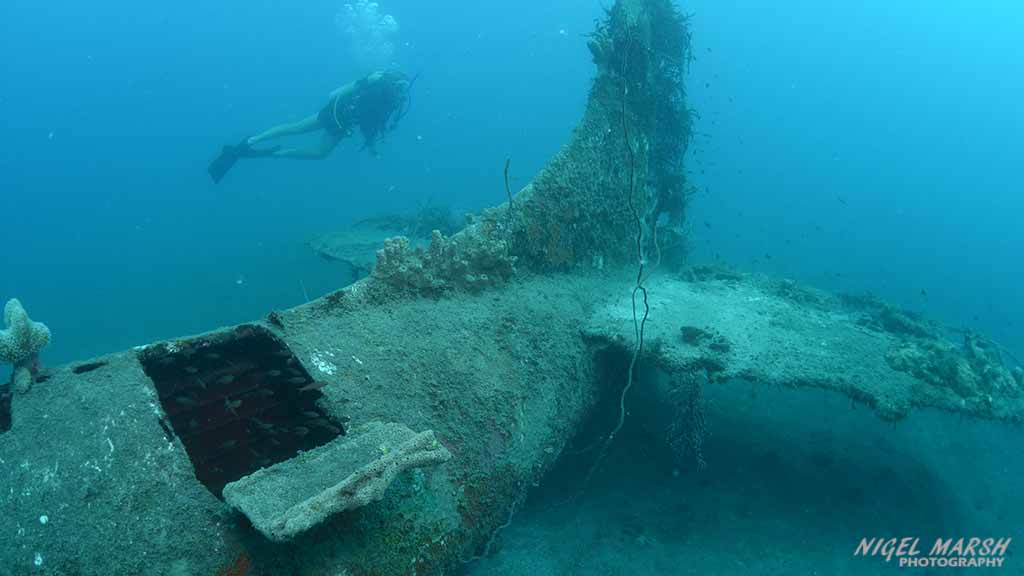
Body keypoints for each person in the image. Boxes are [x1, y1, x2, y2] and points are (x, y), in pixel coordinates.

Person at [209, 70, 412, 183]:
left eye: (403, 88)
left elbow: (367, 118)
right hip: (338, 120)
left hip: (336, 116)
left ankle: (253, 142)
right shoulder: (378, 90)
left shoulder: (382, 93)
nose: (400, 92)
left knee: (296, 128)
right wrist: (373, 144)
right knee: (316, 150)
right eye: (400, 87)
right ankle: (270, 152)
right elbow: (370, 124)